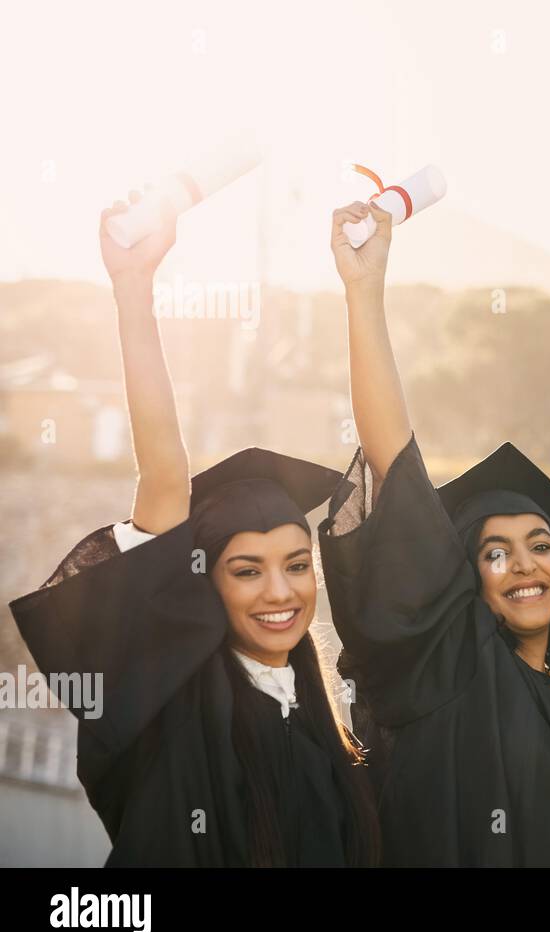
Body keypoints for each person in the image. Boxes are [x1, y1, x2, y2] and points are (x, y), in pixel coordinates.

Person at [8, 193, 380, 866]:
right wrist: (133, 291)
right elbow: (163, 478)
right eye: (246, 569)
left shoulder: (326, 731)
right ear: (196, 583)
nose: (281, 590)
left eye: (298, 564)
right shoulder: (170, 699)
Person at [321, 201, 550, 865]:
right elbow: (394, 465)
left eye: (540, 545)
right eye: (496, 552)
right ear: (461, 579)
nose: (525, 563)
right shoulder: (454, 673)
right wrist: (365, 293)